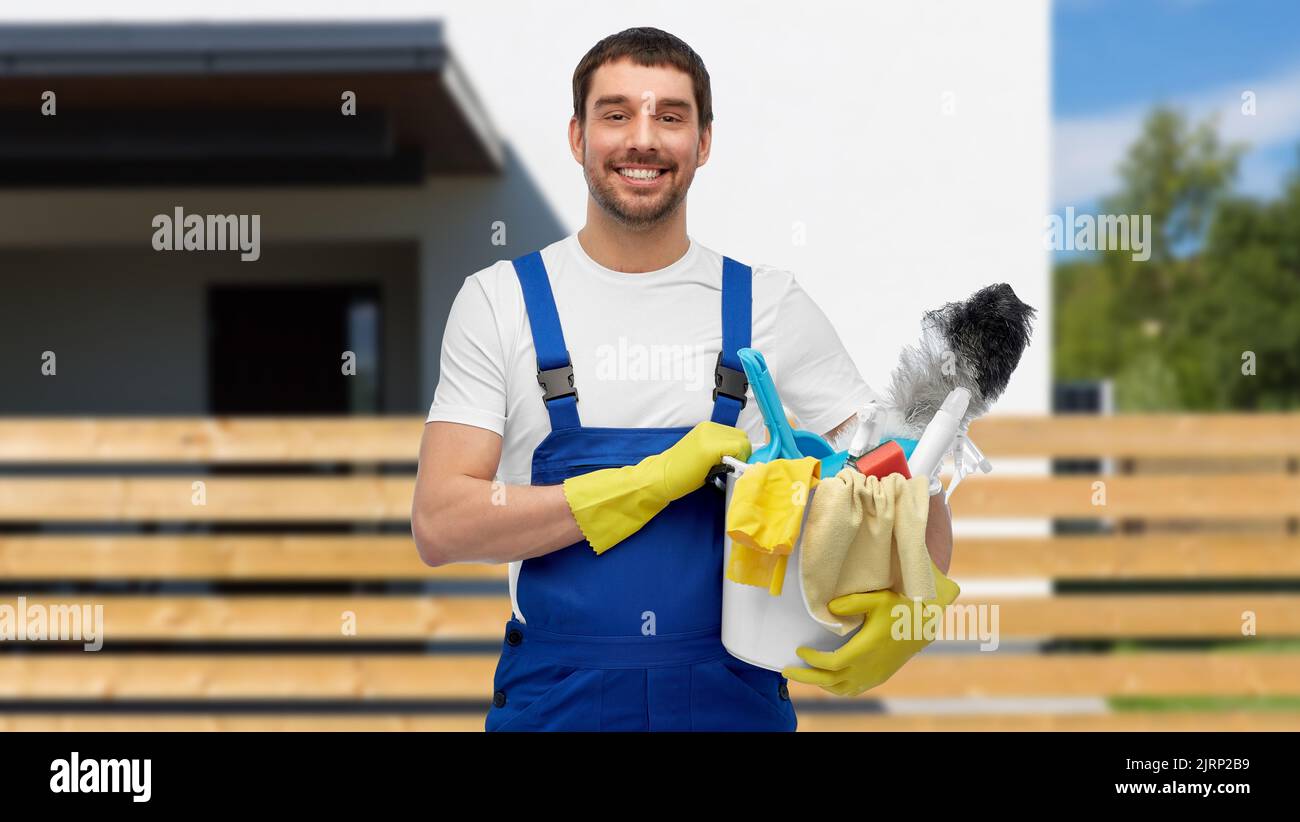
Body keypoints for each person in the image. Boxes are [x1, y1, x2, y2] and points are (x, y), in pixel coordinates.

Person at [411, 27, 953, 732]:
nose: (643, 139)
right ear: (577, 137)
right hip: (556, 702)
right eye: (616, 114)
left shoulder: (768, 306)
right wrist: (648, 483)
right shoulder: (501, 301)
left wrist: (917, 610)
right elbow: (442, 523)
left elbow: (904, 479)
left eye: (670, 116)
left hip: (731, 699)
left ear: (703, 142)